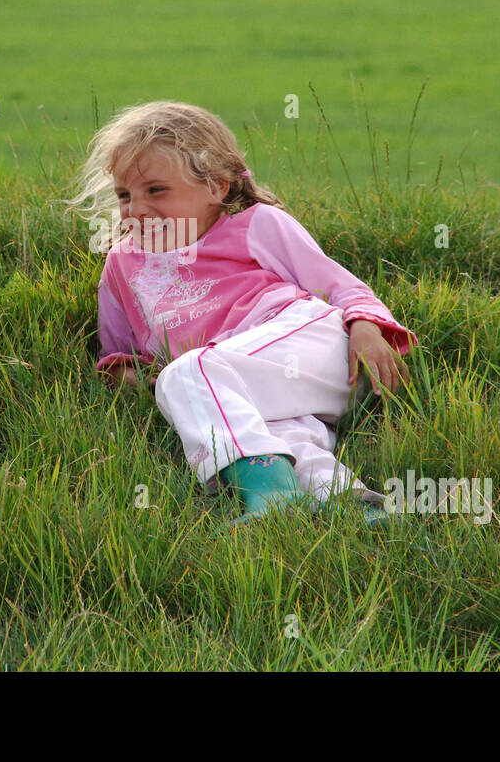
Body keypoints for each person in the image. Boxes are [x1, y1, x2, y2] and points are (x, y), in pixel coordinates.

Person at [67, 101, 417, 527]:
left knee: (188, 374)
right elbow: (119, 352)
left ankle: (270, 498)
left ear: (217, 186)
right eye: (125, 195)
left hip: (318, 351)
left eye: (156, 190)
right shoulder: (122, 264)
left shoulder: (256, 225)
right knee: (276, 433)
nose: (136, 208)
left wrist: (365, 325)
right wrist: (130, 377)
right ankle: (354, 507)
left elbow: (339, 285)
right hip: (254, 388)